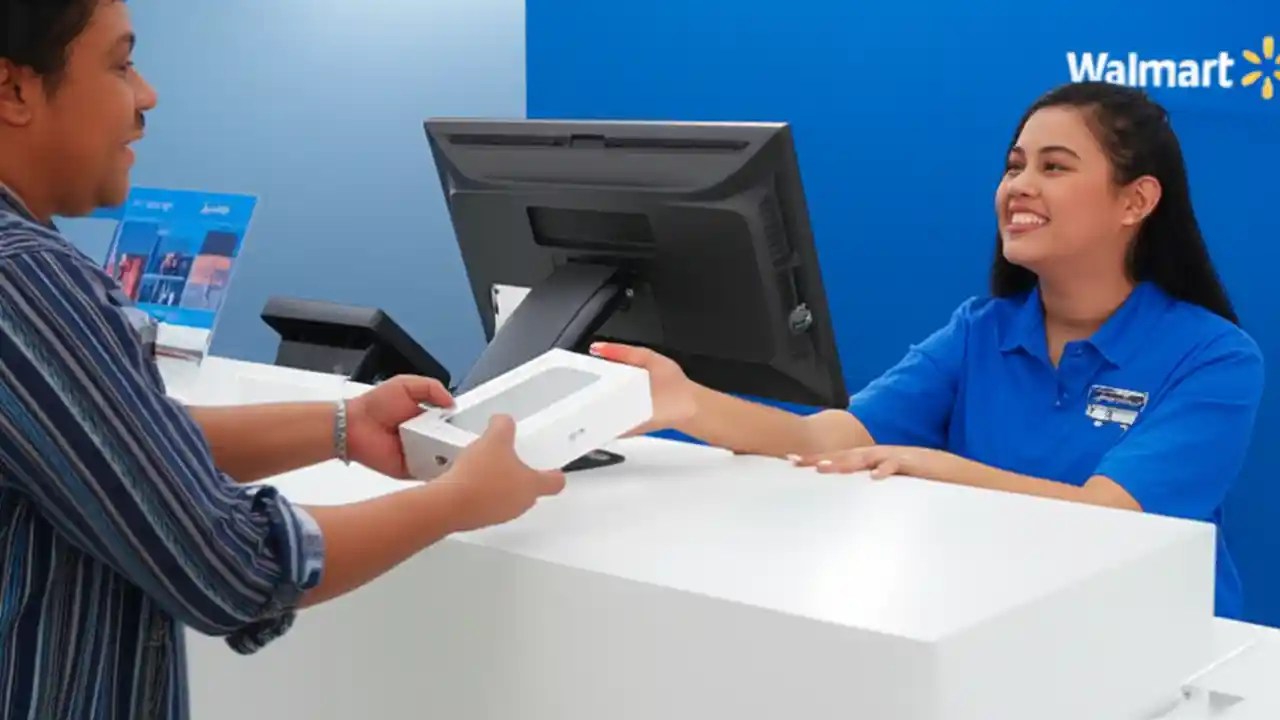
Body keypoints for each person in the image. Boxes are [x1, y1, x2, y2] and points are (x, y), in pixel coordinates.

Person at [0, 1, 565, 716]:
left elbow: (104, 446)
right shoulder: (27, 279)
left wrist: (341, 424)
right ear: (14, 90)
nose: (146, 96)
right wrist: (456, 501)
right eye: (120, 64)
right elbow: (232, 567)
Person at [593, 80, 1264, 619]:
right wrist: (685, 403)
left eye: (1055, 167)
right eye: (1014, 165)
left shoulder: (1215, 358)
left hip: (1155, 646)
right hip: (991, 621)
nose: (1019, 185)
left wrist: (935, 468)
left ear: (1136, 200)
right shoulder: (982, 331)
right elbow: (830, 439)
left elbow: (1113, 519)